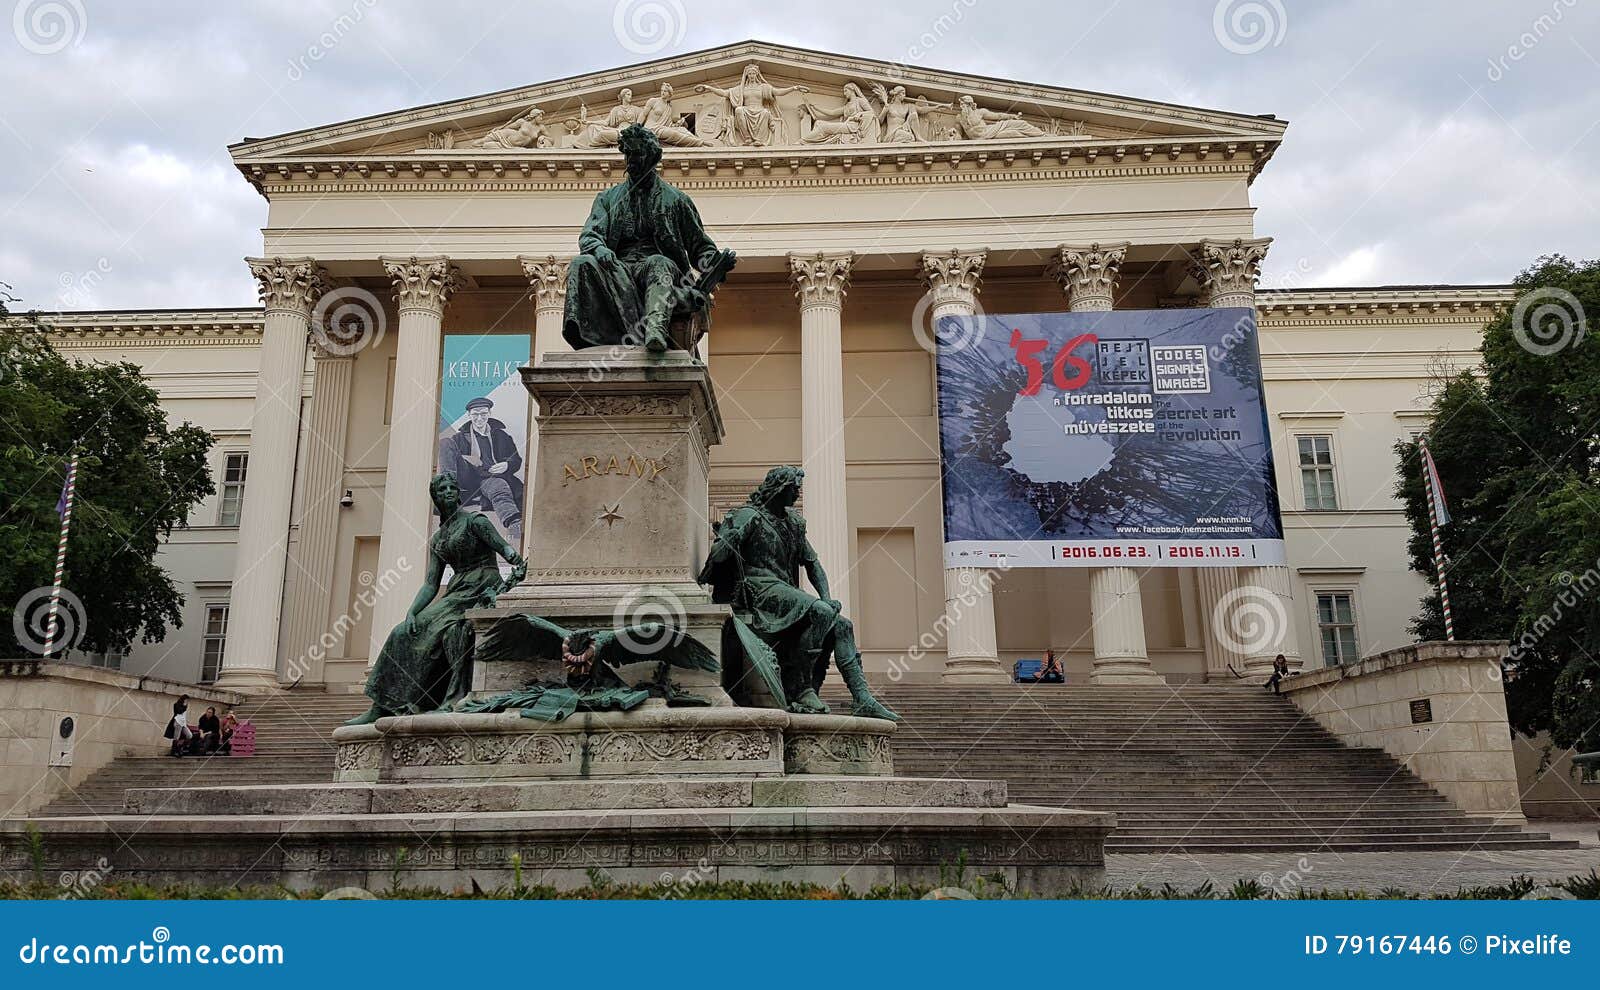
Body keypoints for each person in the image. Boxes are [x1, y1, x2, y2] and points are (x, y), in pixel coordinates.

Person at [698, 465, 898, 721]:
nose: (797, 494)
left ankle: (862, 699)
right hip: (760, 590)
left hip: (783, 591)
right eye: (794, 489)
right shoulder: (748, 516)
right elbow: (717, 557)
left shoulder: (793, 522)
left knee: (842, 626)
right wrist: (730, 540)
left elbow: (812, 564)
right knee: (821, 612)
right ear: (779, 489)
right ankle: (800, 688)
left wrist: (826, 595)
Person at [346, 473, 527, 725]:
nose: (449, 491)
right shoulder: (439, 538)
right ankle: (382, 704)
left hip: (483, 587)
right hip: (457, 593)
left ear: (458, 493)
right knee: (402, 631)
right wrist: (412, 612)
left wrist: (519, 564)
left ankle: (416, 700)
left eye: (453, 487)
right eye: (443, 489)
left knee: (443, 631)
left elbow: (505, 550)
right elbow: (431, 583)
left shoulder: (476, 521)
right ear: (436, 497)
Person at [562, 123, 736, 352]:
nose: (632, 160)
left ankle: (656, 329)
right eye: (628, 154)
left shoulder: (675, 200)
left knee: (658, 262)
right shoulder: (608, 198)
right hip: (618, 268)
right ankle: (585, 339)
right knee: (581, 263)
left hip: (659, 269)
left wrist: (714, 263)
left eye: (637, 154)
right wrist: (600, 249)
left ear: (653, 157)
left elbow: (699, 245)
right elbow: (589, 235)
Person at [439, 396, 524, 544]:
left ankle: (514, 522)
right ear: (469, 415)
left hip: (491, 477)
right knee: (445, 442)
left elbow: (516, 460)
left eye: (483, 414)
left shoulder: (502, 436)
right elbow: (452, 457)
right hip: (468, 477)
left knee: (500, 488)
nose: (479, 418)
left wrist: (507, 465)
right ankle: (448, 486)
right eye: (475, 414)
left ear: (489, 413)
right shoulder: (459, 438)